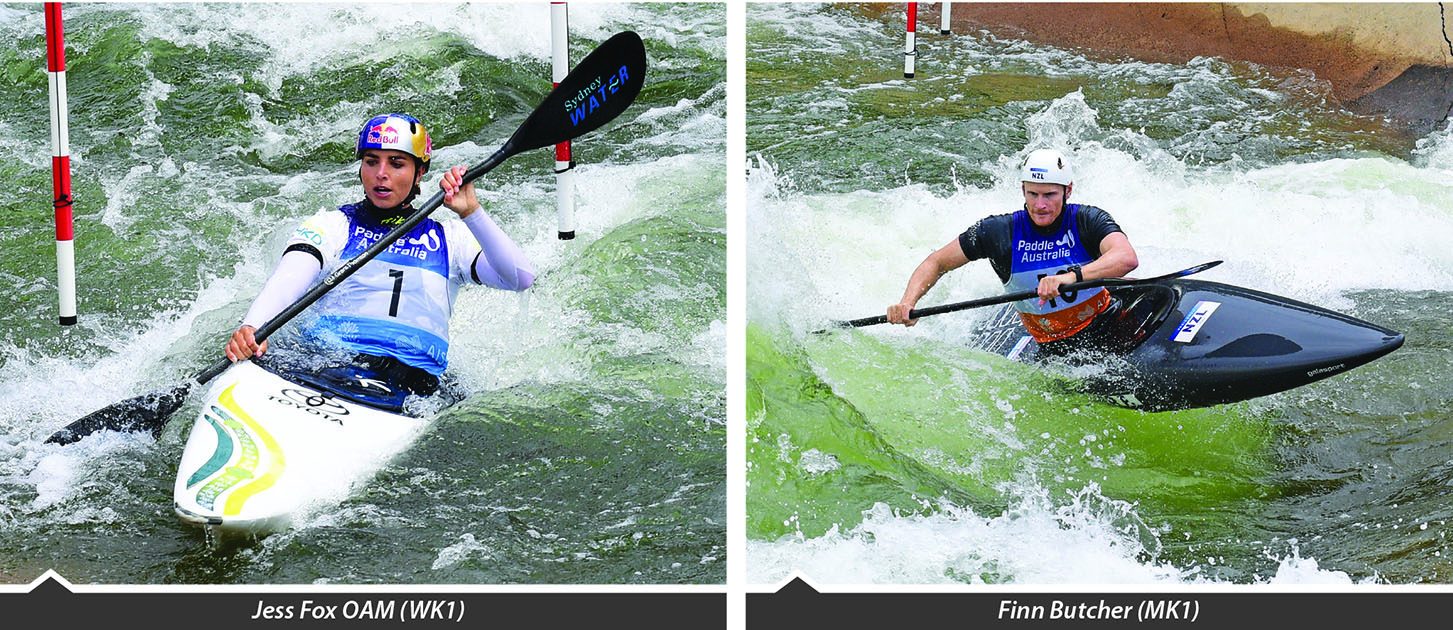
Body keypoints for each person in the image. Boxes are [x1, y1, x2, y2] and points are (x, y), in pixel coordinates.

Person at [223, 113, 536, 398]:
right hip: (324, 365)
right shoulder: (332, 226)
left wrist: (472, 213)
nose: (381, 174)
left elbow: (520, 278)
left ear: (420, 172)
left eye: (397, 164)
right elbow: (289, 278)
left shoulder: (451, 239)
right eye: (371, 161)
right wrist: (252, 328)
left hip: (413, 382)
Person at [887, 148, 1138, 351]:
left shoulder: (1088, 219)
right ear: (1023, 191)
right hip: (1051, 345)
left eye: (1050, 195)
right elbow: (937, 262)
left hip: (1106, 324)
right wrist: (908, 303)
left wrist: (1070, 277)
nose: (1040, 205)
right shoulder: (997, 231)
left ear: (1067, 191)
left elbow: (1126, 257)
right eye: (1033, 194)